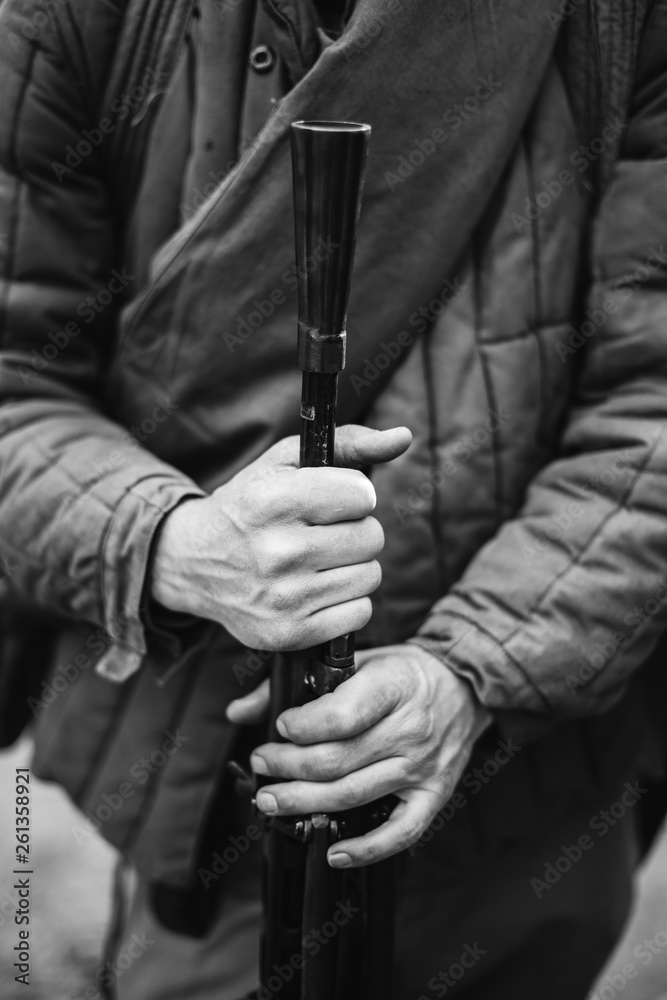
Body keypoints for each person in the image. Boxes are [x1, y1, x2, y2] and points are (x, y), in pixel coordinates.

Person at [0, 0, 666, 997]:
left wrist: (475, 669)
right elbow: (16, 382)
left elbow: (651, 395)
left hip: (527, 805)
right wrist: (166, 538)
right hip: (211, 794)